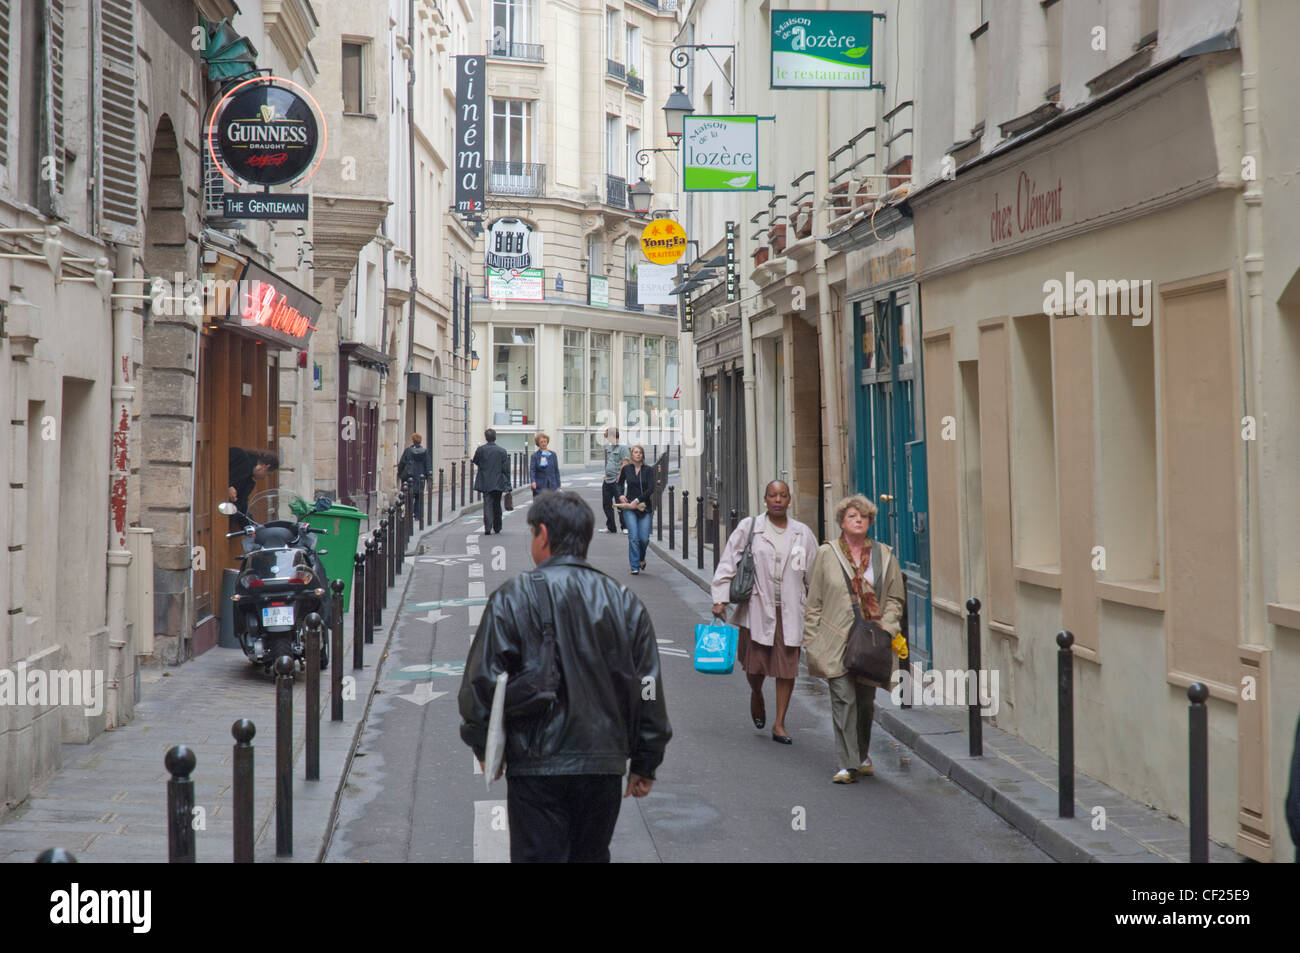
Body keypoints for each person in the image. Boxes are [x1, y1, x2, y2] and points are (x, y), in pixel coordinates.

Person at [457, 491, 672, 862]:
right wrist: (645, 760)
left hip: (535, 762)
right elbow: (647, 688)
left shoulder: (513, 597)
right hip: (602, 763)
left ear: (542, 534)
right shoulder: (625, 602)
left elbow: (481, 682)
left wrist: (484, 745)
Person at [802, 495, 905, 783]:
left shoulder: (885, 555)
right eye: (852, 516)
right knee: (843, 698)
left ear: (871, 522)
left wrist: (887, 626)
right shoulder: (827, 554)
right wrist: (812, 640)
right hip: (835, 638)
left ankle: (860, 754)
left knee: (864, 703)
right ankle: (846, 764)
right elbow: (815, 601)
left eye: (864, 516)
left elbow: (896, 598)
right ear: (841, 522)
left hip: (872, 640)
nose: (858, 520)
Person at [711, 481, 818, 745]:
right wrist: (720, 599)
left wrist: (818, 609)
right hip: (757, 608)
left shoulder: (803, 534)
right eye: (773, 495)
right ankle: (756, 692)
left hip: (791, 610)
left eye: (783, 495)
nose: (778, 500)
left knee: (787, 670)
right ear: (765, 499)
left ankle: (780, 723)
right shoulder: (750, 528)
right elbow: (728, 561)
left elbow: (814, 576)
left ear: (789, 499)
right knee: (754, 666)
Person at [616, 445, 655, 575]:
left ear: (643, 455)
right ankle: (635, 566)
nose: (638, 454)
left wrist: (637, 500)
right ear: (632, 455)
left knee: (644, 539)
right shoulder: (626, 469)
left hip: (644, 507)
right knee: (633, 537)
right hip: (629, 508)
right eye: (635, 452)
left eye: (640, 452)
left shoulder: (648, 470)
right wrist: (621, 495)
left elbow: (651, 489)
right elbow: (619, 484)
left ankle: (641, 558)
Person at [471, 429, 511, 535]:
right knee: (497, 504)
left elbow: (475, 460)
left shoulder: (481, 450)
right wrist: (508, 485)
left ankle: (487, 527)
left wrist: (483, 466)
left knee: (487, 504)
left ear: (486, 437)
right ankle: (497, 526)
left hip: (485, 480)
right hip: (498, 481)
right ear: (495, 437)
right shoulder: (502, 451)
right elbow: (505, 469)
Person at [227, 448, 279, 527]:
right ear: (265, 467)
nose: (264, 477)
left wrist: (254, 526)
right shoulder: (240, 456)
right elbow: (218, 467)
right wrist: (228, 486)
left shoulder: (248, 481)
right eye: (267, 474)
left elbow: (242, 506)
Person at [600, 427, 631, 534]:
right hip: (607, 480)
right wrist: (605, 474)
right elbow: (609, 462)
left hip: (617, 480)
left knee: (620, 504)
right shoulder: (609, 448)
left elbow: (625, 463)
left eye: (606, 435)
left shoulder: (623, 448)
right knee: (606, 504)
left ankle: (625, 527)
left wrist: (620, 476)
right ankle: (611, 527)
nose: (606, 438)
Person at [397, 433, 432, 520]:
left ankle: (408, 514)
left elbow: (402, 463)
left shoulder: (408, 451)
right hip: (420, 478)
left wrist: (400, 473)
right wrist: (428, 478)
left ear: (413, 440)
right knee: (418, 497)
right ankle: (418, 515)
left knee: (408, 496)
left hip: (409, 477)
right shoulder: (425, 452)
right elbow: (428, 466)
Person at [529, 432, 562, 497]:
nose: (544, 443)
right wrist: (533, 481)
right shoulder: (534, 456)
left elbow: (556, 470)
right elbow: (532, 470)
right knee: (540, 505)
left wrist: (558, 484)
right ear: (538, 443)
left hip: (552, 485)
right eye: (541, 442)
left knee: (552, 505)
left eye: (545, 441)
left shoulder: (553, 454)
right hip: (539, 486)